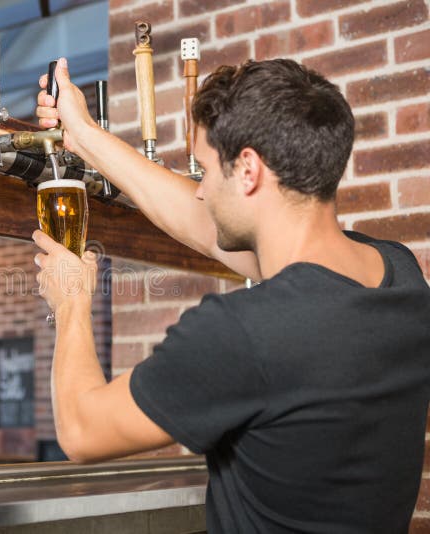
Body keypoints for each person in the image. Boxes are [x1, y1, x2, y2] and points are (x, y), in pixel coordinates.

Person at [32, 57, 430, 532]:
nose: (200, 191)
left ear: (248, 170)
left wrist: (72, 302)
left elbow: (81, 430)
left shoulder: (245, 332)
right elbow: (203, 227)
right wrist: (84, 135)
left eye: (204, 170)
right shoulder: (399, 275)